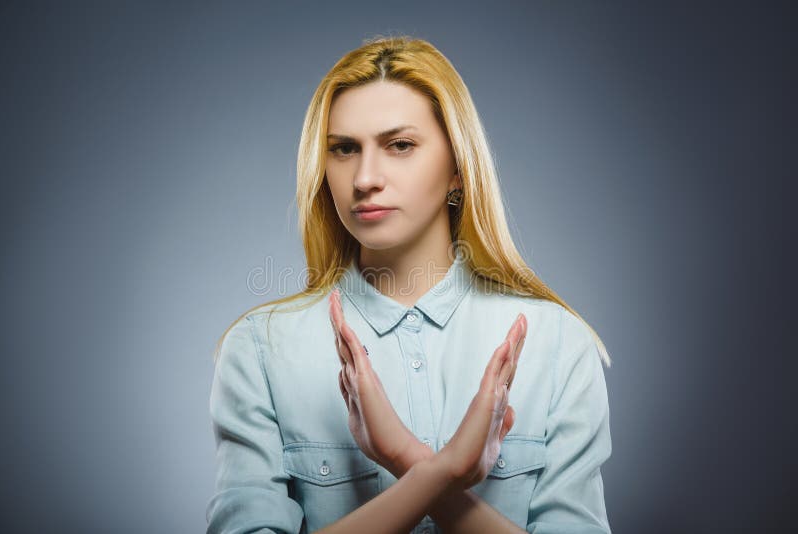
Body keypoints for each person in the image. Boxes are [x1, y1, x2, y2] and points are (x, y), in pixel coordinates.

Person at [206, 35, 613, 534]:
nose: (365, 178)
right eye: (344, 149)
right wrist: (439, 473)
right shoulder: (259, 349)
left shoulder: (559, 344)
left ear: (458, 168)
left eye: (400, 145)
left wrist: (407, 461)